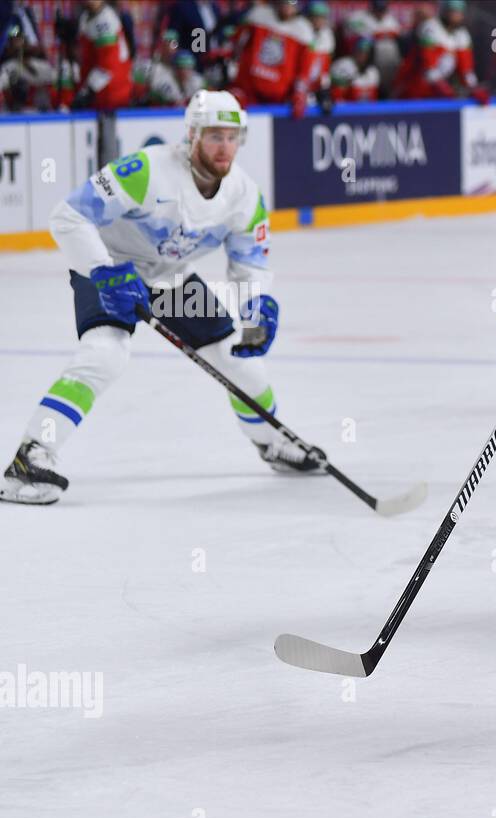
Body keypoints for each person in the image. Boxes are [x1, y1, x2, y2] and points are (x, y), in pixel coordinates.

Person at [1, 90, 320, 506]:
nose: (224, 147)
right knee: (106, 353)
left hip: (170, 280)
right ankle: (29, 458)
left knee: (236, 356)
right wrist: (104, 270)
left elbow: (249, 264)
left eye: (232, 137)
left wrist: (256, 306)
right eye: (214, 136)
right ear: (192, 135)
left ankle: (271, 440)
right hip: (109, 267)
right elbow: (69, 214)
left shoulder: (244, 196)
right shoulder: (147, 171)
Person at [230, 0, 315, 117]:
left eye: (291, 4)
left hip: (279, 98)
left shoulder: (303, 30)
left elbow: (304, 68)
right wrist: (237, 84)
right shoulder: (258, 16)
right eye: (284, 3)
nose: (286, 7)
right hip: (249, 91)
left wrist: (299, 92)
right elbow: (236, 47)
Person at [394, 0, 487, 103]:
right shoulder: (430, 27)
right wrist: (440, 85)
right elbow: (428, 65)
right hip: (415, 85)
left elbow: (466, 69)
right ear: (444, 12)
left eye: (459, 12)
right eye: (453, 12)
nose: (456, 16)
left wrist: (473, 87)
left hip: (438, 89)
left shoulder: (462, 34)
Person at [71, 0, 131, 110]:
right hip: (99, 92)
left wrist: (89, 91)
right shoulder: (86, 16)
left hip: (112, 93)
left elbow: (108, 63)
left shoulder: (105, 21)